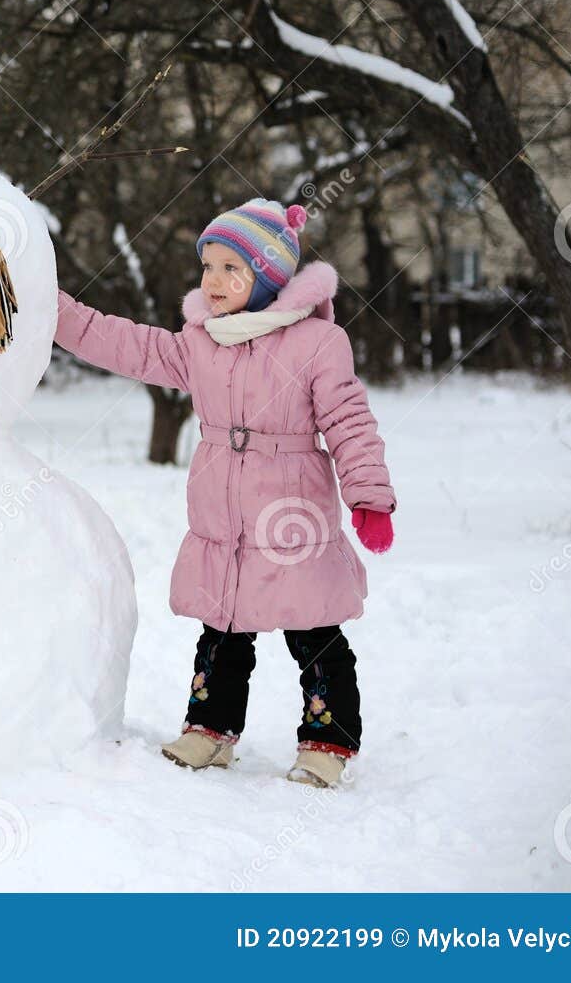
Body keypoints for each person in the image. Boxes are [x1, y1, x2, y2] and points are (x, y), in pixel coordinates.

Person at [53, 200, 395, 787]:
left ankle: (328, 739)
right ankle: (210, 729)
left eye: (230, 268)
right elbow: (123, 343)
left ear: (266, 277)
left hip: (292, 515)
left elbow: (348, 419)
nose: (212, 280)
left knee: (314, 629)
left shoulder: (317, 342)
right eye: (207, 266)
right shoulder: (201, 342)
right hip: (225, 517)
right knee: (223, 624)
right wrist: (51, 308)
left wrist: (369, 495)